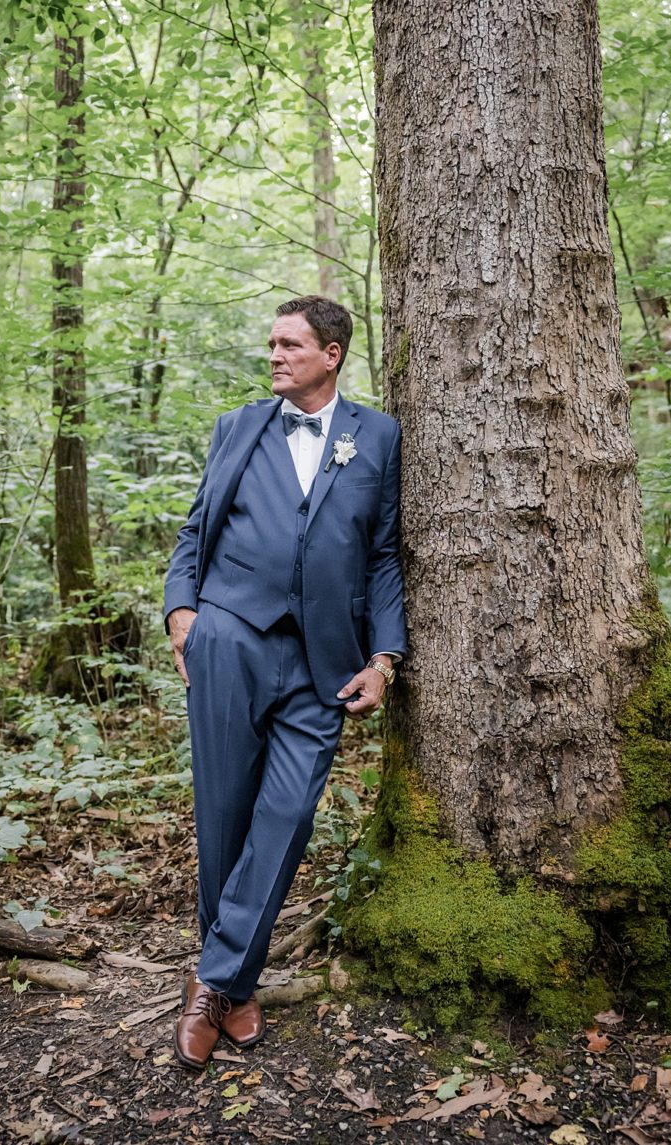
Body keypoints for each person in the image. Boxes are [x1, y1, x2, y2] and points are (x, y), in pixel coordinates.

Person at [162, 296, 407, 1069]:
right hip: (229, 638)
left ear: (331, 353)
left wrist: (384, 657)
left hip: (325, 661)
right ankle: (235, 984)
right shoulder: (238, 426)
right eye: (271, 342)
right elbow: (196, 529)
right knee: (225, 812)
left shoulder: (378, 435)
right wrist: (181, 615)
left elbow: (384, 554)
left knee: (288, 814)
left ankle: (214, 980)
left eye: (290, 343)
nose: (274, 354)